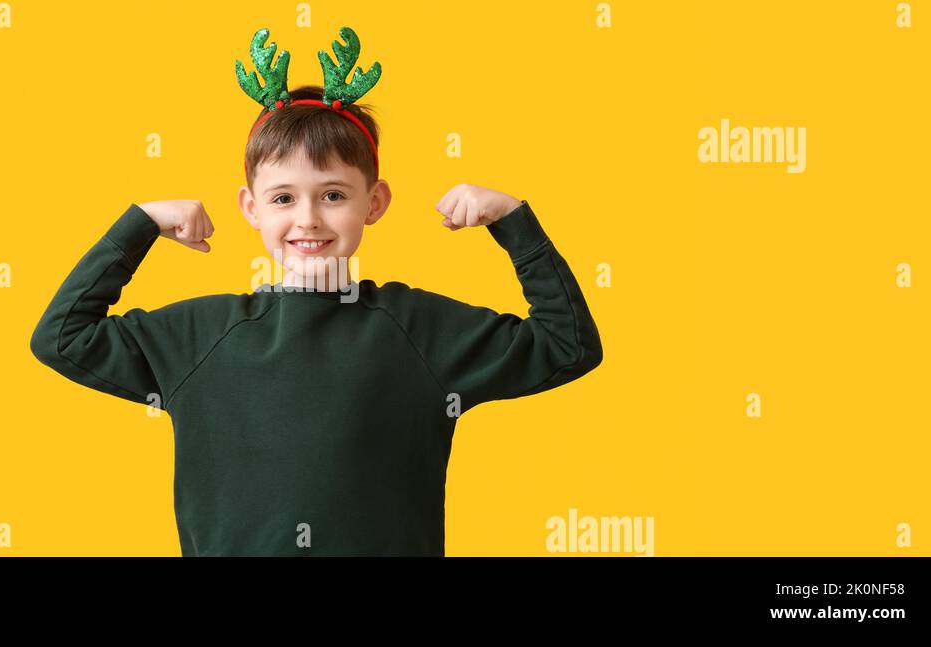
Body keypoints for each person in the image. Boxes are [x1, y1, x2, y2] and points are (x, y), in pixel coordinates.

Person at [30, 27, 603, 556]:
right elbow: (62, 337)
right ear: (250, 208)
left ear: (373, 203)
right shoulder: (198, 338)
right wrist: (139, 225)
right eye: (283, 198)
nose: (308, 218)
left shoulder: (420, 331)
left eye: (333, 195)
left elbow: (569, 345)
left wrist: (513, 222)